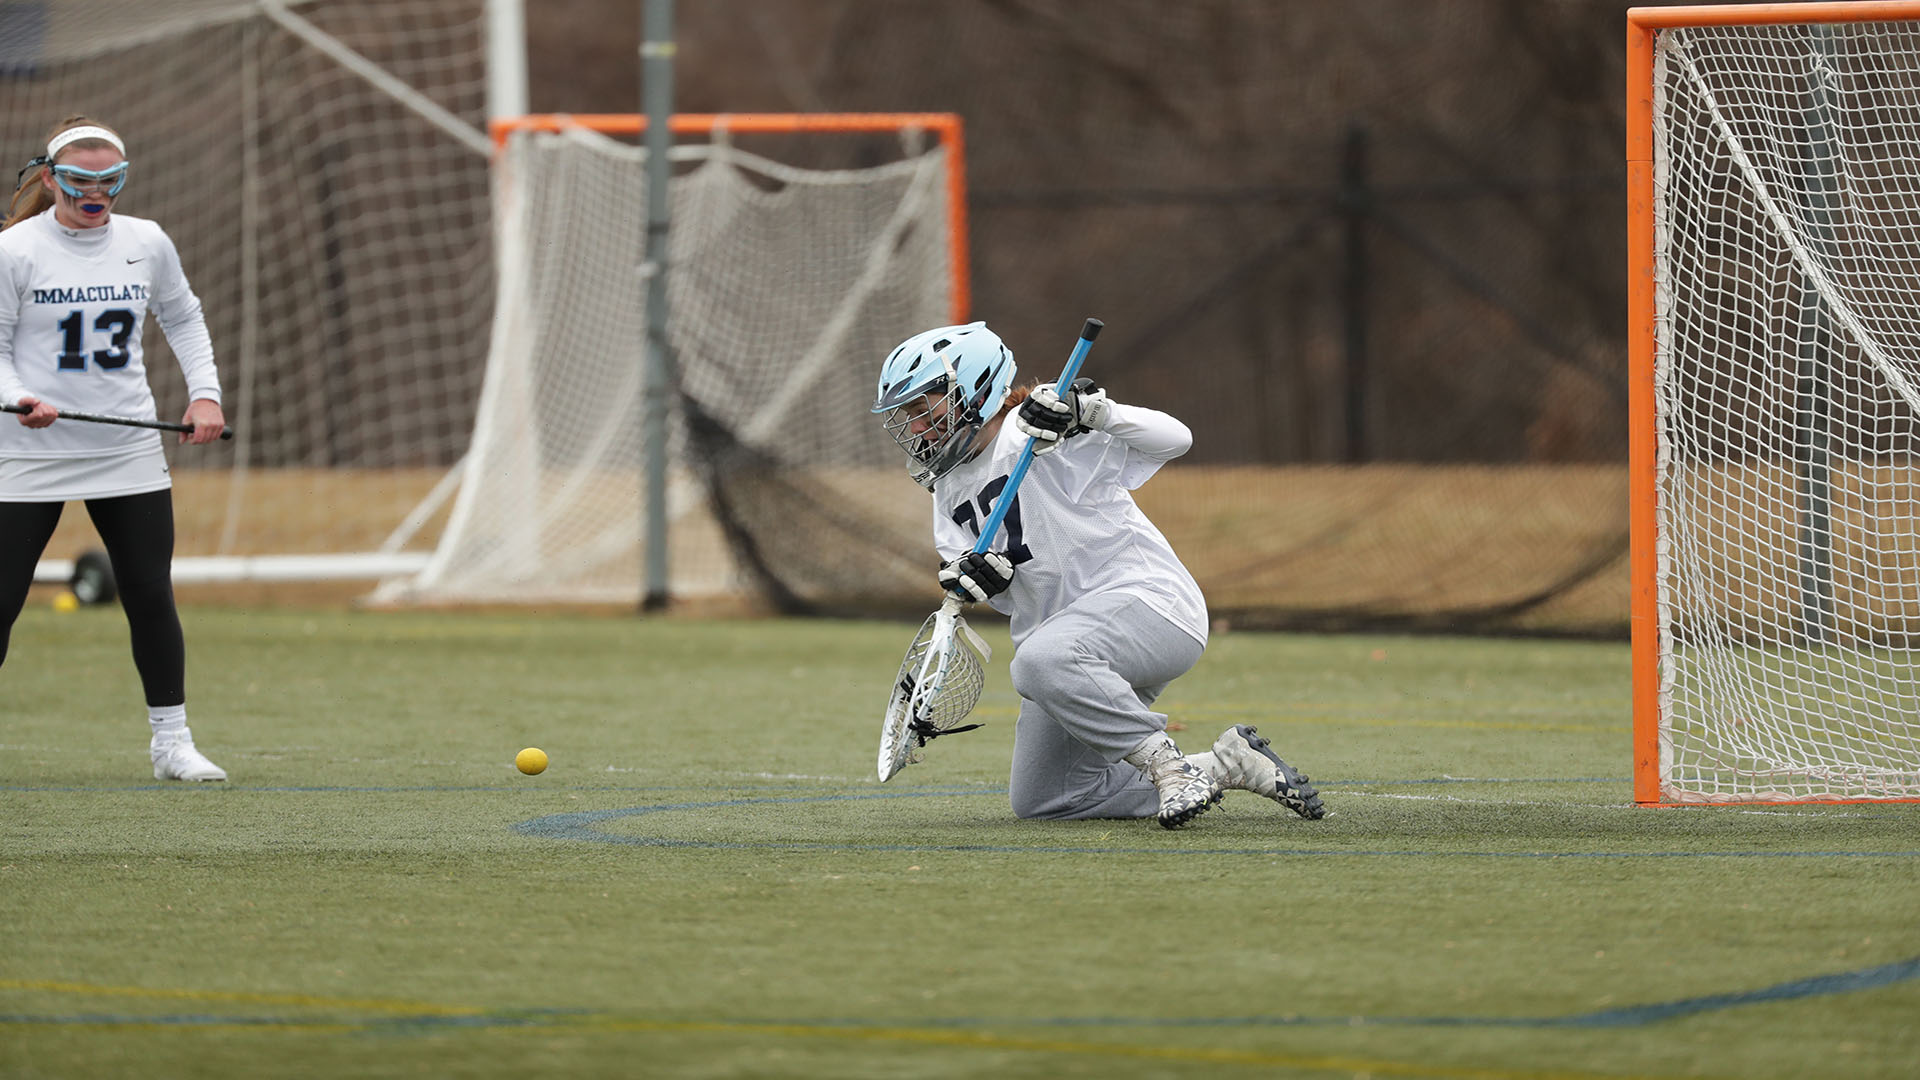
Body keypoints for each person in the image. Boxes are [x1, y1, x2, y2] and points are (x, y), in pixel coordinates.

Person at [872, 321, 1325, 827]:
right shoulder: (946, 485)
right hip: (1067, 653)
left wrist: (1094, 413)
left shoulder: (1040, 424)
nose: (914, 427)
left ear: (974, 389)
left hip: (1151, 606)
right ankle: (1226, 764)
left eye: (922, 408)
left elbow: (1176, 439)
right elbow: (983, 574)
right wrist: (982, 580)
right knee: (1049, 798)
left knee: (1038, 661)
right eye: (906, 415)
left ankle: (1169, 767)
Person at [0, 116, 228, 781]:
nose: (95, 193)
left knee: (150, 593)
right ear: (50, 179)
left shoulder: (146, 241)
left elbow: (183, 316)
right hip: (27, 452)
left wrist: (205, 396)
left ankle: (172, 744)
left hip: (124, 446)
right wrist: (19, 398)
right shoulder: (15, 250)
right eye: (80, 180)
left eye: (110, 180)